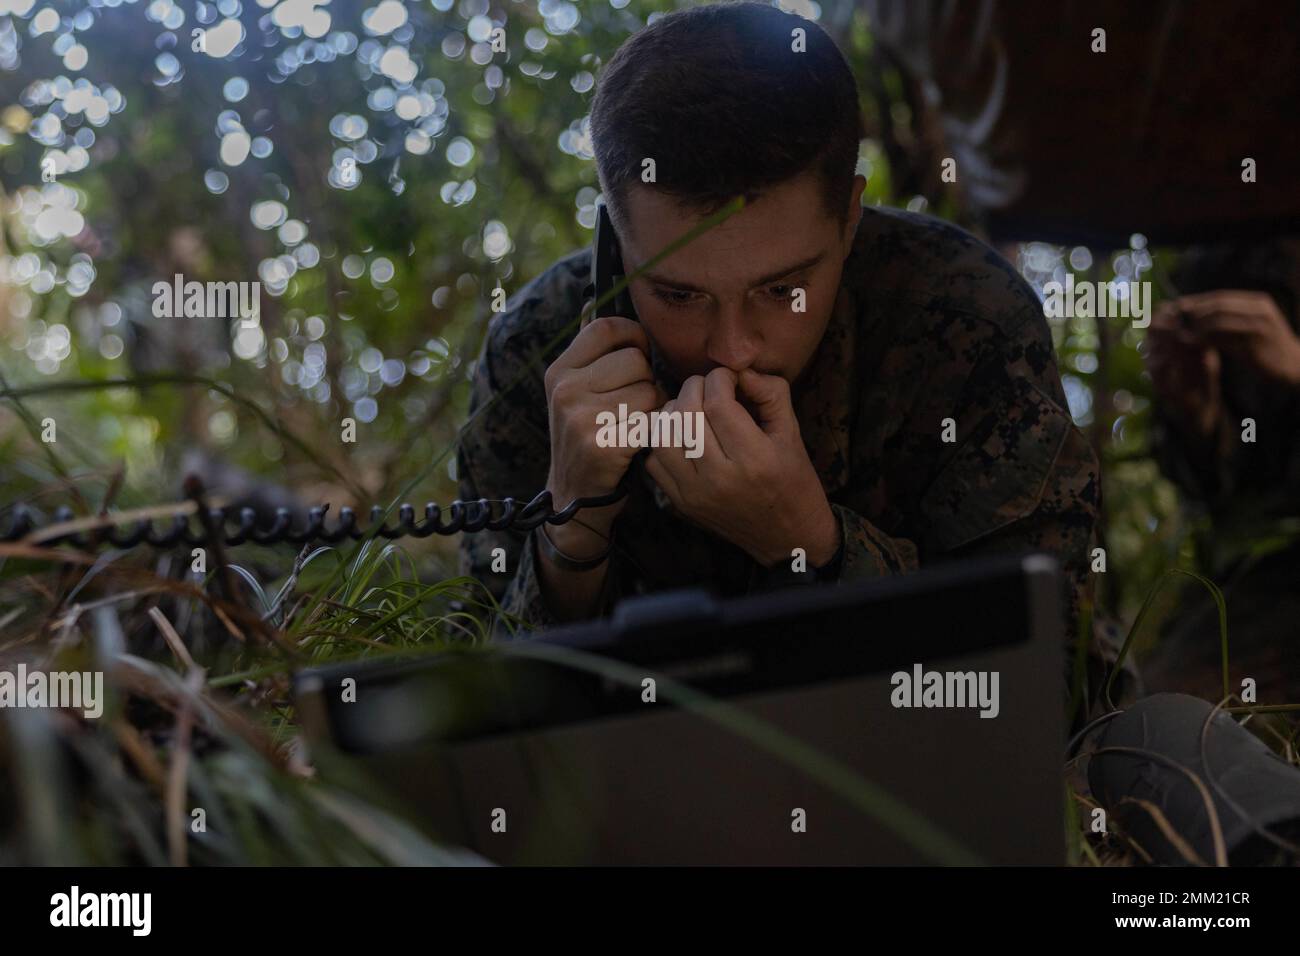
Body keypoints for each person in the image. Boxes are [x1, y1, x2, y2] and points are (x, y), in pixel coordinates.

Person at [456, 2, 1102, 692]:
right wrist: (570, 536)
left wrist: (815, 547)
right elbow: (487, 721)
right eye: (678, 295)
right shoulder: (537, 351)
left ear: (850, 219)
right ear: (616, 242)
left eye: (783, 290)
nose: (732, 350)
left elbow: (1042, 688)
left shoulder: (970, 321)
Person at [1141, 239, 1300, 703]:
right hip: (1269, 585)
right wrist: (1199, 417)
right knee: (1155, 723)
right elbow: (1230, 487)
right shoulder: (1217, 261)